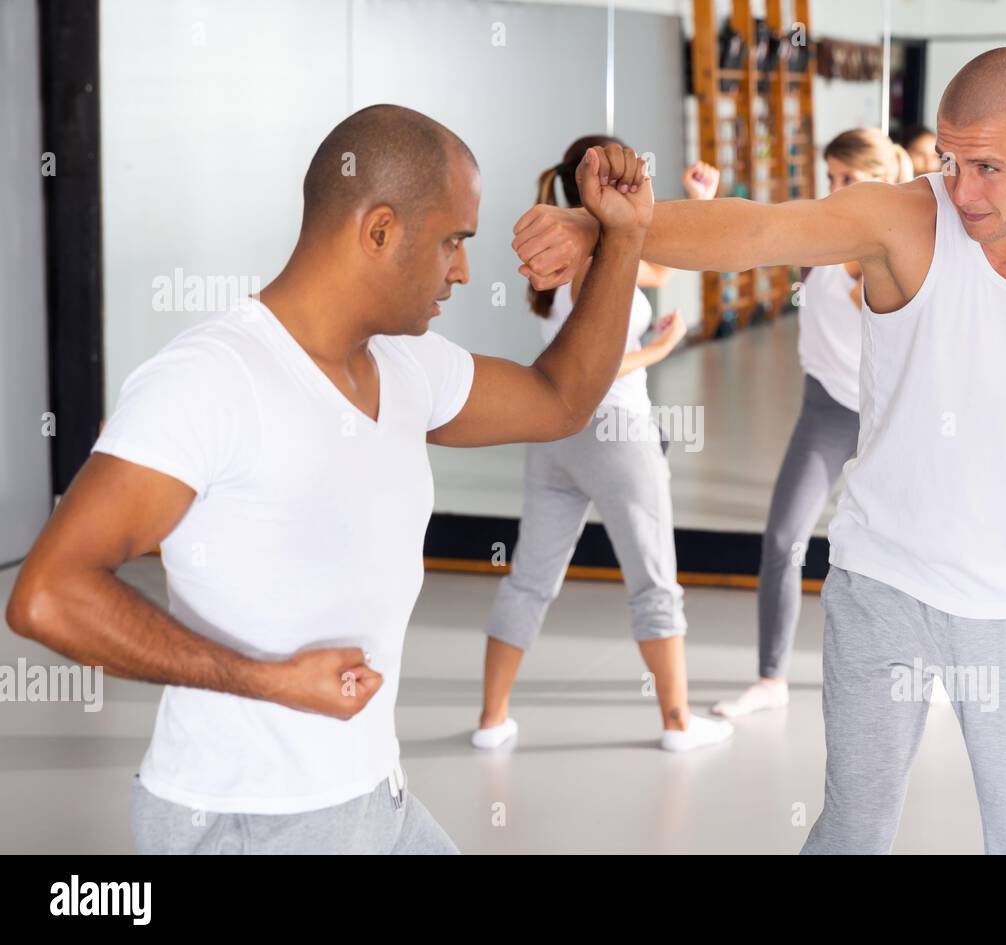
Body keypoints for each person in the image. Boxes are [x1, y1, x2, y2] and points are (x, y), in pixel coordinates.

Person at [513, 48, 1006, 854]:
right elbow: (758, 227)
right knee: (855, 832)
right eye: (948, 158)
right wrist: (598, 228)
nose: (961, 190)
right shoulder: (901, 216)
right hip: (885, 584)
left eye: (987, 167)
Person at [5, 105, 653, 854]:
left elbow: (562, 399)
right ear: (379, 230)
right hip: (248, 822)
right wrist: (267, 680)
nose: (464, 270)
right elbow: (48, 592)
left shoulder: (408, 367)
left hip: (376, 797)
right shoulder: (212, 378)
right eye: (453, 241)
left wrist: (626, 236)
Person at [473, 138, 734, 752]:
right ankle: (677, 723)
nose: (639, 178)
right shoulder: (598, 263)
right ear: (604, 185)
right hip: (616, 431)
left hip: (553, 436)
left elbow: (664, 266)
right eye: (630, 173)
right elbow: (602, 365)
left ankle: (492, 721)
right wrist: (661, 351)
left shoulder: (558, 258)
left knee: (530, 580)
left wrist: (698, 201)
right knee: (654, 581)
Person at [712, 128, 912, 719]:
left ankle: (919, 674)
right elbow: (752, 238)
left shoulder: (896, 251)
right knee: (782, 539)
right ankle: (771, 677)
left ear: (879, 179)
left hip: (888, 422)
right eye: (830, 178)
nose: (835, 191)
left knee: (904, 552)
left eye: (848, 179)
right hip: (824, 410)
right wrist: (717, 197)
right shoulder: (821, 239)